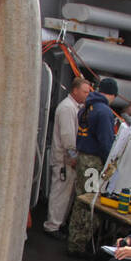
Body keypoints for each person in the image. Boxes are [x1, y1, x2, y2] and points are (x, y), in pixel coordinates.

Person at [65, 77, 119, 256]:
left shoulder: (86, 107)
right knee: (90, 203)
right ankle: (81, 244)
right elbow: (106, 142)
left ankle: (74, 239)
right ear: (112, 94)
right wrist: (110, 163)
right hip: (94, 162)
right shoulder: (104, 112)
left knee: (80, 200)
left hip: (83, 159)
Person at [44, 76, 91, 237]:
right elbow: (67, 136)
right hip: (64, 159)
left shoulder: (74, 107)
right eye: (85, 91)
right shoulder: (67, 108)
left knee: (66, 193)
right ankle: (52, 225)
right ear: (75, 90)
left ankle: (59, 223)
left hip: (67, 158)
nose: (87, 95)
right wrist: (72, 155)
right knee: (60, 193)